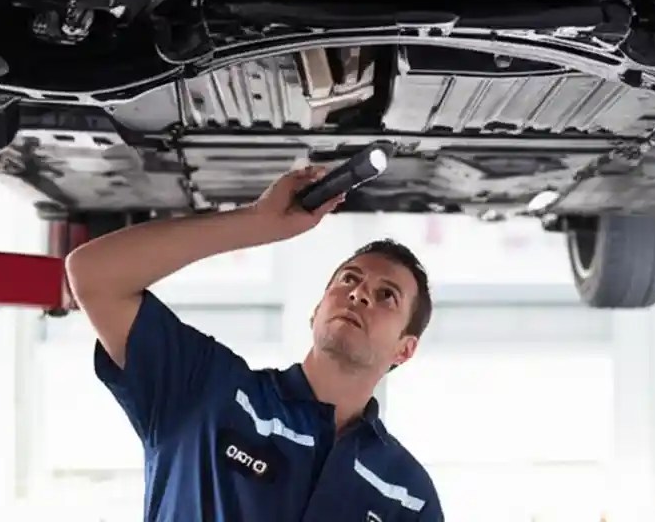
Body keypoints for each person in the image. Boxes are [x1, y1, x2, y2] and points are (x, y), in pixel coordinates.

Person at [65, 165, 443, 521]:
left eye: (386, 296)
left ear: (404, 349)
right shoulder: (206, 390)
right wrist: (257, 222)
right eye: (348, 279)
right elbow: (93, 275)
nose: (360, 293)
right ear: (316, 310)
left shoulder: (407, 494)